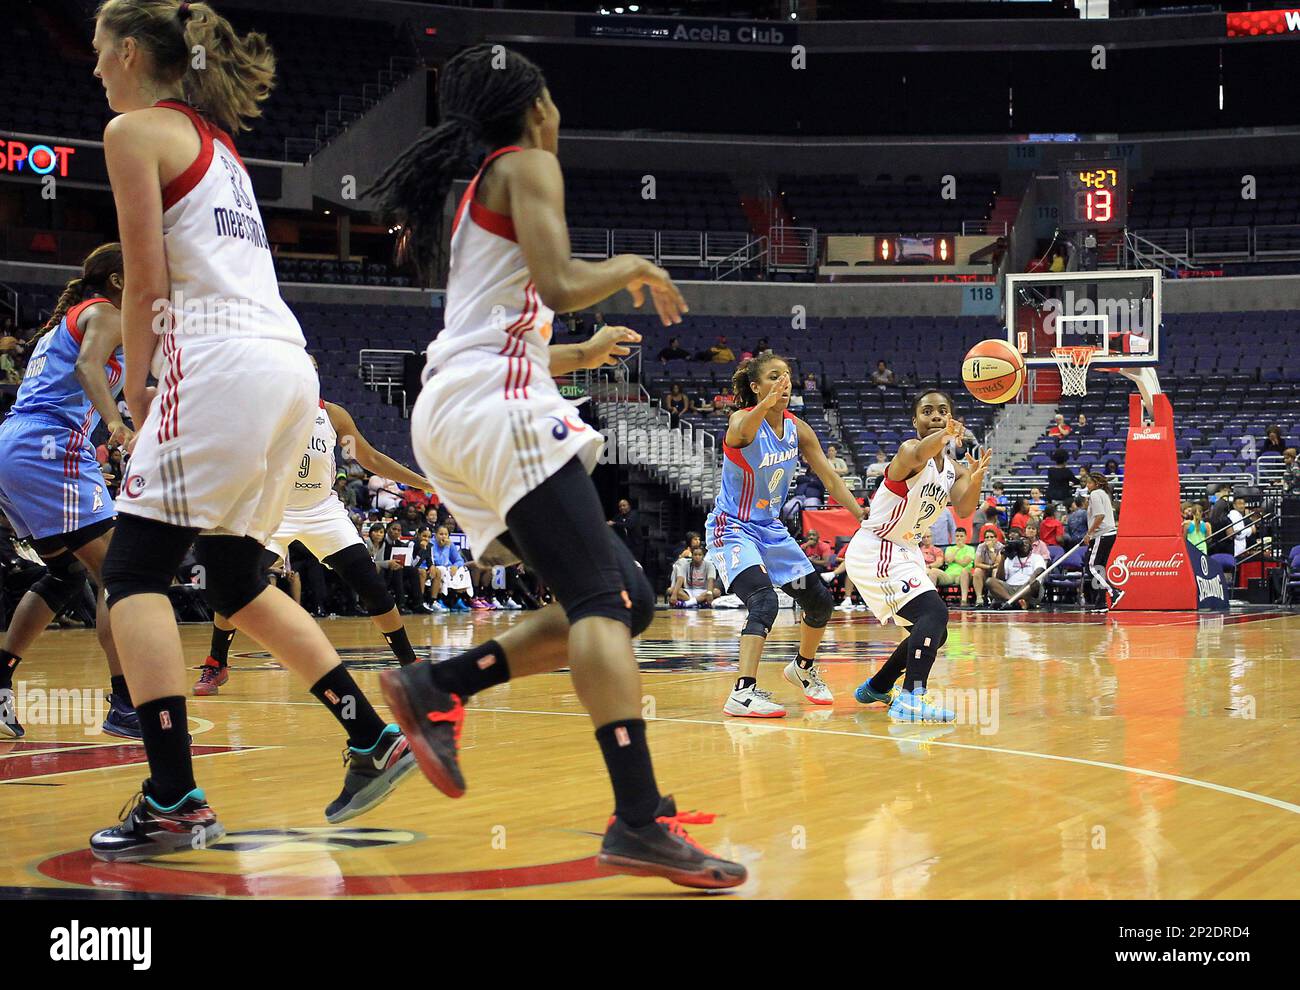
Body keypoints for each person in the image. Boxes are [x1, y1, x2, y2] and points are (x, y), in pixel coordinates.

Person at [368, 44, 743, 887]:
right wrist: (634, 267)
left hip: (462, 412)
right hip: (494, 412)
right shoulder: (528, 163)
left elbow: (516, 320)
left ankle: (440, 683)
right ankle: (639, 821)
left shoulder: (479, 188)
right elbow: (562, 277)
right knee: (602, 603)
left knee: (629, 601)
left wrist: (585, 351)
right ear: (535, 103)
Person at [88, 0, 416, 861]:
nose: (93, 72)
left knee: (132, 573)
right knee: (235, 575)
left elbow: (144, 280)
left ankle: (172, 798)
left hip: (219, 362)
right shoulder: (219, 148)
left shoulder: (134, 133)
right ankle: (371, 737)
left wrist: (143, 393)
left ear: (129, 52)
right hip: (287, 370)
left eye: (99, 54)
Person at [193, 390, 438, 695]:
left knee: (371, 585)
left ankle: (409, 663)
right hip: (274, 510)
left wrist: (424, 482)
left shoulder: (333, 415)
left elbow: (370, 457)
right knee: (235, 583)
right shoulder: (267, 407)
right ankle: (217, 662)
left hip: (323, 511)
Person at [0, 244, 139, 740]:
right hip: (48, 447)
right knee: (121, 575)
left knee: (63, 576)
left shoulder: (79, 317)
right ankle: (125, 705)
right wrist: (115, 423)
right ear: (119, 280)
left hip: (20, 446)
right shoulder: (103, 312)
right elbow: (87, 368)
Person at [706, 353, 853, 718]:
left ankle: (802, 668)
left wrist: (859, 512)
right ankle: (742, 693)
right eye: (774, 377)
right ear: (756, 387)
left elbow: (830, 479)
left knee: (818, 602)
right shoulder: (741, 419)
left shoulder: (798, 429)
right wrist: (765, 405)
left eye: (787, 376)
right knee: (764, 602)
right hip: (733, 528)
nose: (784, 383)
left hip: (770, 531)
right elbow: (740, 433)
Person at [845, 389, 991, 721]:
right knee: (934, 613)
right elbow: (923, 450)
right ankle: (912, 697)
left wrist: (977, 478)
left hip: (904, 549)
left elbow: (966, 509)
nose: (936, 415)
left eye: (943, 410)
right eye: (927, 411)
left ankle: (879, 686)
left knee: (935, 633)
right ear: (915, 421)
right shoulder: (910, 451)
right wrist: (945, 435)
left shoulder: (953, 470)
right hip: (877, 545)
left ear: (952, 416)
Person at [1081, 472, 1120, 607]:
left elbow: (1100, 515)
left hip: (1101, 535)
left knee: (1091, 567)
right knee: (1099, 568)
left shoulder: (1095, 494)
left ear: (1096, 484)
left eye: (1090, 483)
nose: (1087, 485)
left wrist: (1089, 533)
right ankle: (1101, 603)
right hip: (1110, 534)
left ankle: (1114, 591)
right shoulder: (1104, 494)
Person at [986, 528, 1046, 609]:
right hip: (1009, 588)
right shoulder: (1010, 559)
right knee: (990, 581)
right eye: (1022, 544)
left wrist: (1032, 577)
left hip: (1026, 588)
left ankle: (1008, 602)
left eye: (1027, 544)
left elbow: (1040, 569)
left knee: (1035, 584)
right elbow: (1000, 578)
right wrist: (1003, 557)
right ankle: (1012, 601)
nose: (1024, 546)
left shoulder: (1036, 557)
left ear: (1031, 547)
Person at [937, 528, 975, 607]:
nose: (959, 538)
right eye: (957, 536)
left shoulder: (970, 549)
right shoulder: (950, 548)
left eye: (961, 536)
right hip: (949, 575)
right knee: (933, 571)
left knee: (964, 571)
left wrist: (954, 558)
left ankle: (963, 600)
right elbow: (948, 560)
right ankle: (934, 601)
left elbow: (964, 563)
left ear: (966, 537)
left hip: (962, 576)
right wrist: (956, 551)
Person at [971, 529, 1001, 607]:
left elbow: (998, 563)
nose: (989, 539)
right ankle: (979, 598)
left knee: (995, 571)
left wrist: (991, 550)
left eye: (991, 537)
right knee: (977, 571)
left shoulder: (1000, 546)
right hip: (985, 570)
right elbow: (977, 563)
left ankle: (995, 597)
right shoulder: (981, 546)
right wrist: (989, 567)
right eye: (987, 537)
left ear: (996, 539)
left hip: (996, 570)